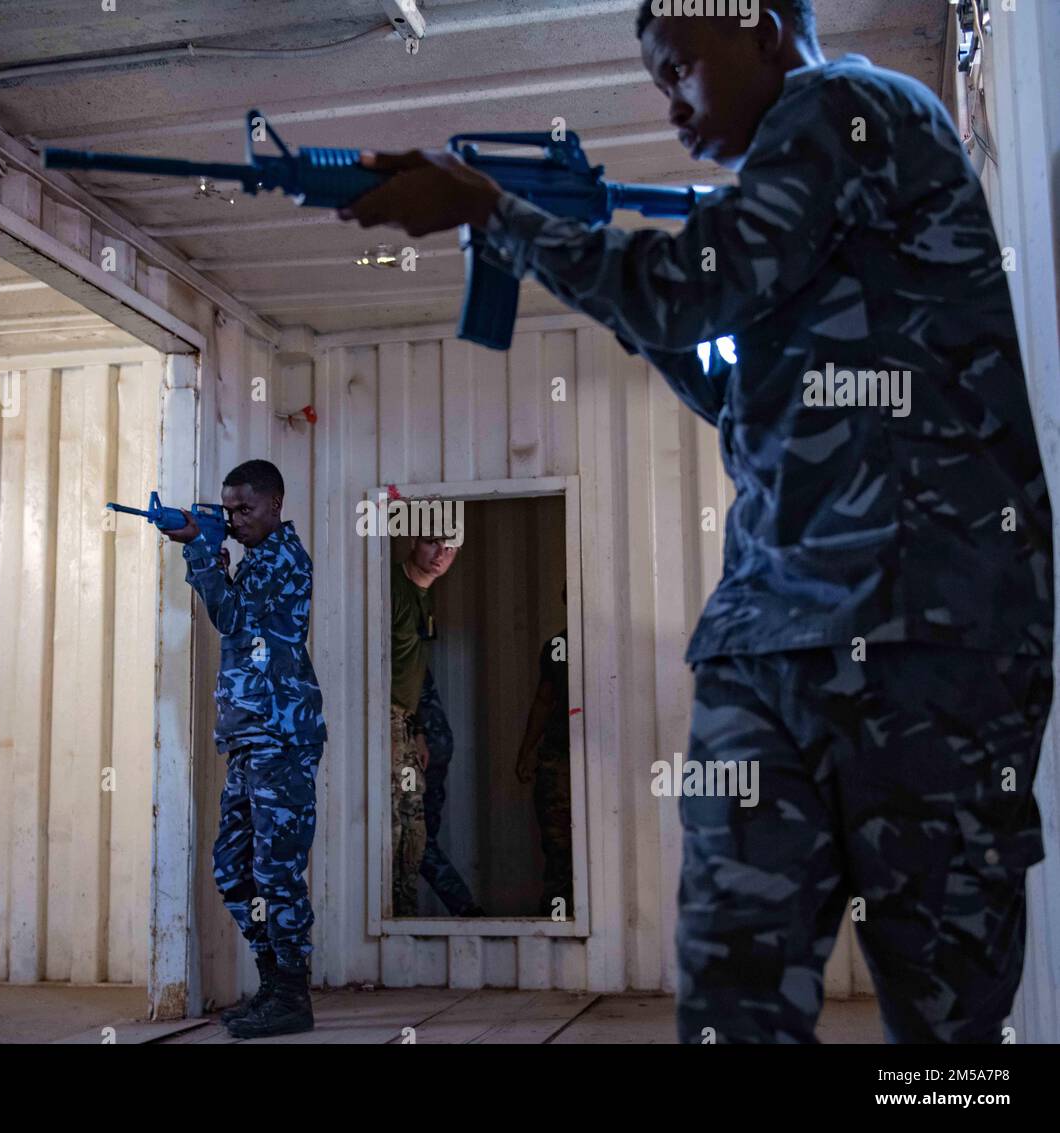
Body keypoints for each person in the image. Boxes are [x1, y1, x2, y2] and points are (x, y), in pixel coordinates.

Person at [337, 1, 1054, 1044]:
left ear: (760, 26)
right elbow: (745, 399)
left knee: (942, 1022)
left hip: (917, 639)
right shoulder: (813, 191)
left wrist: (493, 212)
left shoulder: (845, 107)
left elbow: (683, 289)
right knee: (733, 996)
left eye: (679, 67)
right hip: (777, 640)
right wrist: (624, 294)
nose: (669, 102)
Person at [165, 459, 327, 1039]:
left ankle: (292, 996)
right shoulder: (257, 557)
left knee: (277, 872)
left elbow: (230, 615)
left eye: (245, 510)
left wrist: (201, 550)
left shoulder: (281, 557)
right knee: (234, 869)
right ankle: (274, 984)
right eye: (227, 510)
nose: (234, 520)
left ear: (276, 504)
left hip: (281, 735)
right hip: (250, 737)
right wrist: (207, 545)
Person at [390, 533, 459, 916]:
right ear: (414, 541)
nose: (441, 555)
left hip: (407, 725)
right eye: (433, 543)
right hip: (387, 720)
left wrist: (416, 730)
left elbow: (412, 672)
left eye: (450, 548)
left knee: (414, 829)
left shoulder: (423, 596)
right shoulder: (393, 589)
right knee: (396, 827)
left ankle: (403, 916)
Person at [515, 587, 572, 918]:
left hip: (602, 765)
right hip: (559, 761)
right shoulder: (558, 648)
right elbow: (544, 700)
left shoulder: (612, 643)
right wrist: (526, 752)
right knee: (559, 851)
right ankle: (557, 929)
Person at [416, 668, 486, 916]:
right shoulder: (411, 647)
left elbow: (405, 695)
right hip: (434, 746)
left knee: (415, 839)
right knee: (420, 839)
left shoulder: (399, 648)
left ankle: (465, 908)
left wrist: (418, 734)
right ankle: (466, 908)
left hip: (421, 751)